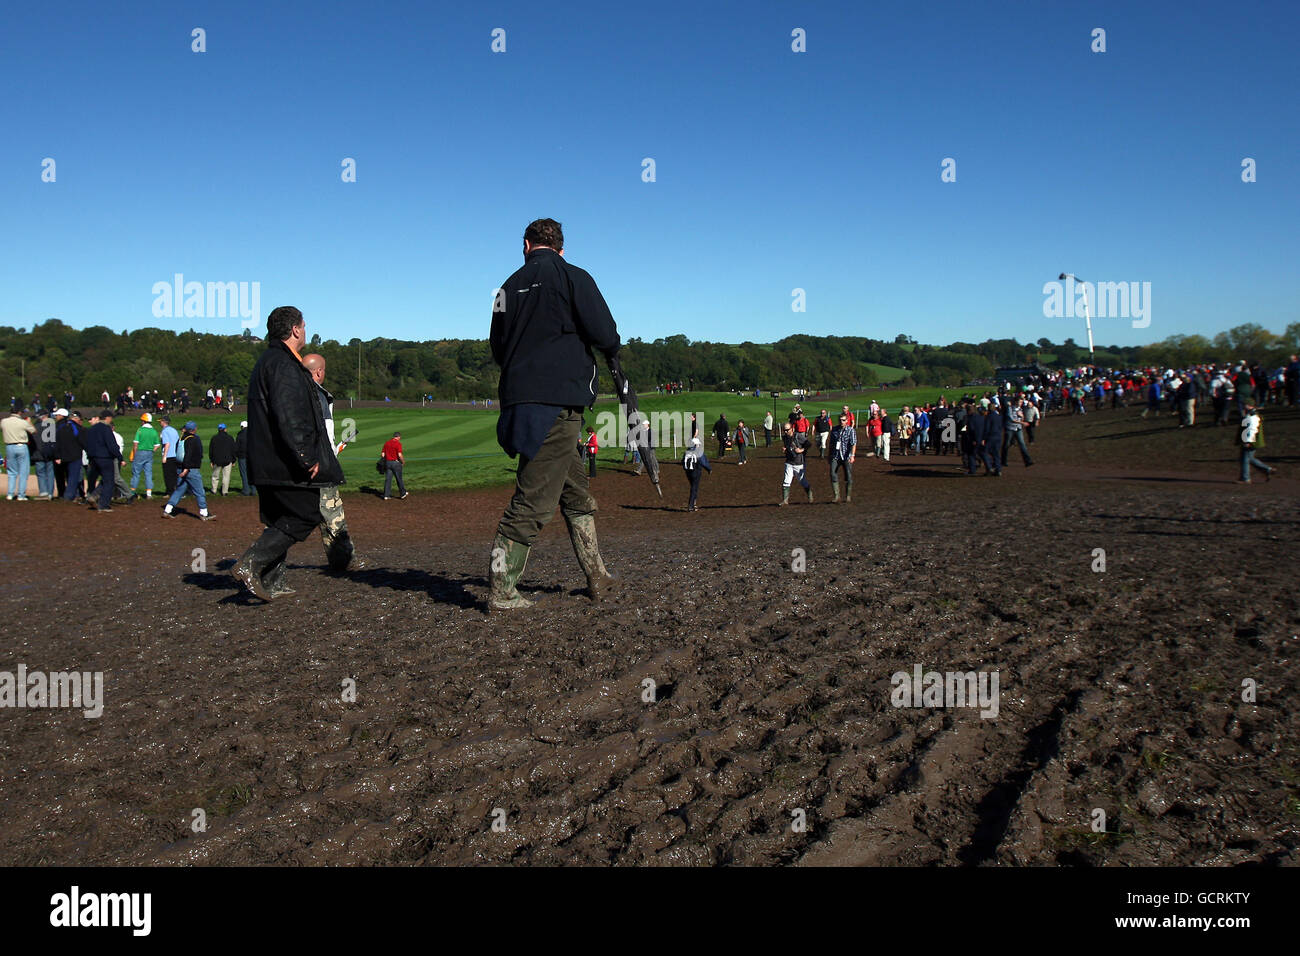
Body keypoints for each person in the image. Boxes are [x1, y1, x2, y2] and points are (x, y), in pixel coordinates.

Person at [487, 218, 619, 610]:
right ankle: (501, 590)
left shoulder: (505, 288)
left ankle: (597, 575)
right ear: (560, 247)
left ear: (526, 245)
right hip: (558, 404)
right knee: (532, 502)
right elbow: (607, 336)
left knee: (576, 493)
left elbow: (497, 347)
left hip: (518, 401)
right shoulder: (575, 277)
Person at [231, 306, 338, 599]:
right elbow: (290, 416)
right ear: (295, 330)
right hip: (282, 461)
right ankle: (250, 564)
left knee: (279, 518)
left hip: (265, 458)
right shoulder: (284, 365)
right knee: (304, 514)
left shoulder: (267, 360)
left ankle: (272, 581)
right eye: (304, 325)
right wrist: (305, 456)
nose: (304, 330)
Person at [302, 353, 365, 572]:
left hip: (296, 467)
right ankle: (345, 561)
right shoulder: (317, 395)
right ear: (319, 372)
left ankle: (264, 563)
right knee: (334, 516)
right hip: (321, 469)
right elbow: (325, 437)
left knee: (288, 519)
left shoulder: (290, 393)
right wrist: (333, 454)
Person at [161, 421, 213, 519]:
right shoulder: (194, 439)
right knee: (199, 491)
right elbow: (190, 455)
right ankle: (204, 513)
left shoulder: (181, 438)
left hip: (180, 468)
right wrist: (186, 468)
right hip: (190, 469)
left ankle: (167, 510)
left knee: (179, 490)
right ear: (194, 429)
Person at [83, 409, 123, 512]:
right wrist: (119, 456)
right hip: (105, 458)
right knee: (109, 480)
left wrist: (90, 456)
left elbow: (87, 444)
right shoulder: (106, 429)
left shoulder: (91, 429)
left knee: (105, 479)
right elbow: (112, 445)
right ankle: (104, 504)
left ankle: (94, 496)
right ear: (107, 418)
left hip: (93, 458)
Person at [3, 408, 36, 500]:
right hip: (21, 446)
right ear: (19, 412)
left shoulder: (4, 421)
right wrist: (29, 422)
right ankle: (21, 495)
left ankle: (10, 494)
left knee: (11, 472)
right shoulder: (23, 422)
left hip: (9, 446)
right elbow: (34, 431)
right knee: (23, 472)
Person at [55, 409, 87, 502]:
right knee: (73, 476)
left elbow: (56, 443)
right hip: (75, 456)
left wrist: (57, 456)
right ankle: (69, 496)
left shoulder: (61, 428)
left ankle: (66, 494)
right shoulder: (77, 428)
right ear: (76, 418)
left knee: (67, 476)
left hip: (63, 456)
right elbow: (83, 442)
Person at [1238, 403, 1274, 483]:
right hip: (1251, 440)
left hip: (1250, 441)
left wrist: (1248, 441)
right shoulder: (1251, 415)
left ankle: (1245, 478)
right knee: (1249, 458)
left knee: (1245, 459)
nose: (1244, 406)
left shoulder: (1252, 416)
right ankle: (1267, 469)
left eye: (1246, 404)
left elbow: (1251, 430)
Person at [779, 421, 812, 506]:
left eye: (787, 430)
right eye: (784, 430)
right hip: (789, 462)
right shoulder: (785, 437)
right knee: (786, 481)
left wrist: (801, 450)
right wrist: (785, 449)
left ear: (792, 429)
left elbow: (808, 444)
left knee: (802, 481)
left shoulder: (798, 436)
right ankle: (785, 501)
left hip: (798, 463)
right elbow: (787, 447)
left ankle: (809, 494)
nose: (786, 432)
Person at [828, 411, 857, 503]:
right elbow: (831, 444)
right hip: (836, 456)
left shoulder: (850, 430)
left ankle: (848, 496)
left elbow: (853, 444)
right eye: (840, 420)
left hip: (846, 456)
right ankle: (837, 496)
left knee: (848, 476)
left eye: (843, 420)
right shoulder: (835, 430)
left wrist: (852, 455)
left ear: (847, 421)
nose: (842, 422)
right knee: (832, 473)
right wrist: (829, 455)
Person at [130, 412, 160, 499]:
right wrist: (152, 451)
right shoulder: (154, 431)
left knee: (136, 473)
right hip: (149, 453)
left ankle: (132, 492)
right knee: (148, 473)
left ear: (143, 421)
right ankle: (149, 493)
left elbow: (135, 444)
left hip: (140, 452)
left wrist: (135, 455)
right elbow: (157, 444)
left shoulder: (140, 430)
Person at [683, 435, 711, 512]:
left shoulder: (687, 451)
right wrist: (709, 469)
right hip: (696, 471)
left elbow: (682, 462)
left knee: (693, 487)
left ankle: (694, 503)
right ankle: (691, 505)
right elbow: (704, 462)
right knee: (694, 488)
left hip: (688, 472)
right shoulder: (699, 451)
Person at [208, 423, 236, 495]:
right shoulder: (230, 438)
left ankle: (214, 490)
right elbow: (233, 450)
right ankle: (224, 492)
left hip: (216, 460)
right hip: (227, 460)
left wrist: (211, 460)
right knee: (226, 477)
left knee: (215, 476)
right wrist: (233, 460)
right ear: (225, 429)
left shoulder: (214, 438)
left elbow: (211, 450)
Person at [158, 415, 181, 495]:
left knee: (168, 475)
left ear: (164, 422)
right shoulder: (174, 430)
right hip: (175, 455)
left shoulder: (164, 431)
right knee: (174, 474)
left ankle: (170, 492)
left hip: (168, 456)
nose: (160, 423)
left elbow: (167, 444)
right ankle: (176, 490)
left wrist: (164, 456)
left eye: (160, 421)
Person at [381, 432, 407, 499]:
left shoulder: (387, 443)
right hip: (396, 463)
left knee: (388, 479)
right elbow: (399, 455)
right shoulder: (398, 444)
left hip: (388, 463)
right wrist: (403, 461)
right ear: (398, 437)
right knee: (399, 479)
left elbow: (383, 454)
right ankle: (403, 493)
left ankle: (386, 495)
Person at [235, 421, 254, 495]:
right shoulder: (252, 434)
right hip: (251, 457)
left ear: (242, 427)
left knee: (244, 473)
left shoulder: (240, 435)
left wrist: (236, 455)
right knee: (251, 472)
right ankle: (253, 490)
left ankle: (246, 490)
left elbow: (236, 448)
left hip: (242, 457)